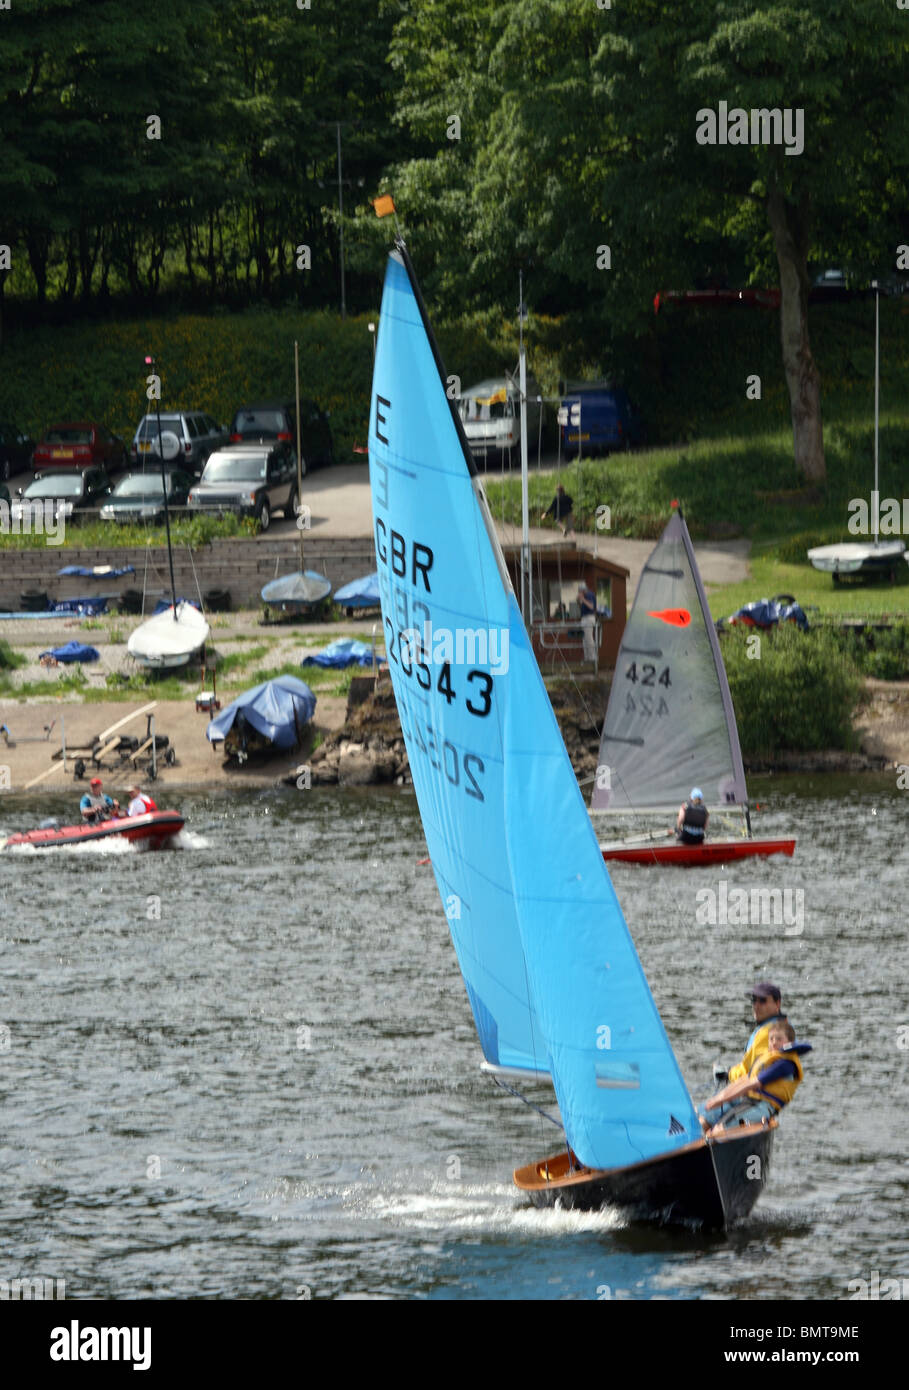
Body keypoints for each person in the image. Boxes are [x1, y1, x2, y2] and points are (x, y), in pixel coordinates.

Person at [701, 1020, 809, 1132]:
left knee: (721, 1129)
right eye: (771, 1039)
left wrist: (720, 1099)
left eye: (779, 1039)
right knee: (705, 1117)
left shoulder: (785, 1064)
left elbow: (753, 1083)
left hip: (764, 1106)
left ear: (790, 1042)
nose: (774, 1042)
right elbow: (744, 1080)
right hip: (750, 1100)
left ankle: (715, 1138)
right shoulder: (768, 1059)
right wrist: (718, 1098)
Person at [578, 583, 597, 662]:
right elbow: (582, 607)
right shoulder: (585, 596)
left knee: (588, 638)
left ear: (583, 590)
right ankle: (587, 658)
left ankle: (592, 658)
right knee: (585, 639)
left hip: (588, 618)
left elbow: (591, 606)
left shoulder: (588, 595)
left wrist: (583, 599)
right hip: (584, 618)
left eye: (580, 591)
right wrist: (579, 600)